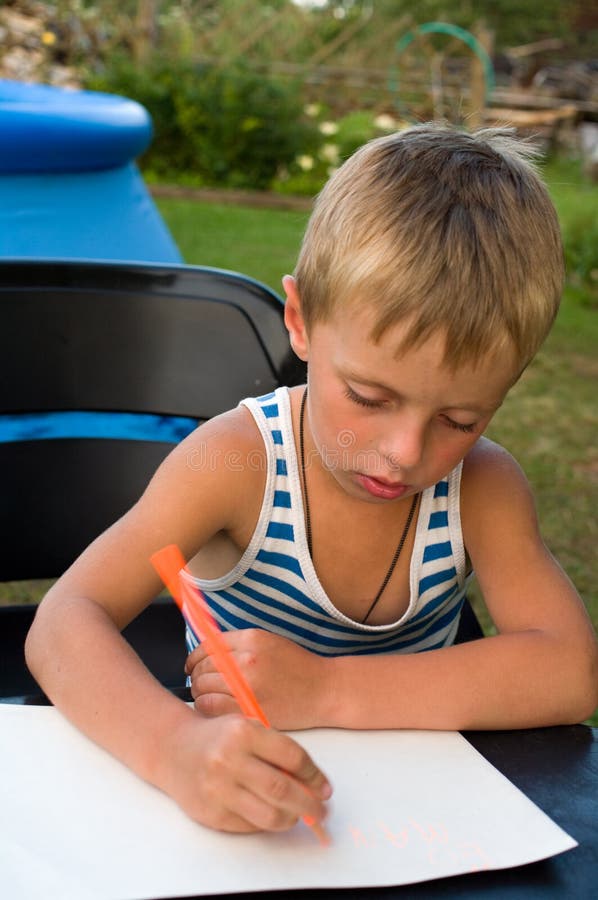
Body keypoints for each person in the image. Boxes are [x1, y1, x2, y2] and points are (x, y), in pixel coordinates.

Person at [26, 123, 598, 836]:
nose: (404, 452)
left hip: (420, 826)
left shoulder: (484, 488)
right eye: (369, 397)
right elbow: (65, 619)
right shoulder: (236, 463)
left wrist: (328, 690)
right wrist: (172, 748)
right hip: (240, 802)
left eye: (460, 418)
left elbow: (567, 670)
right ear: (300, 321)